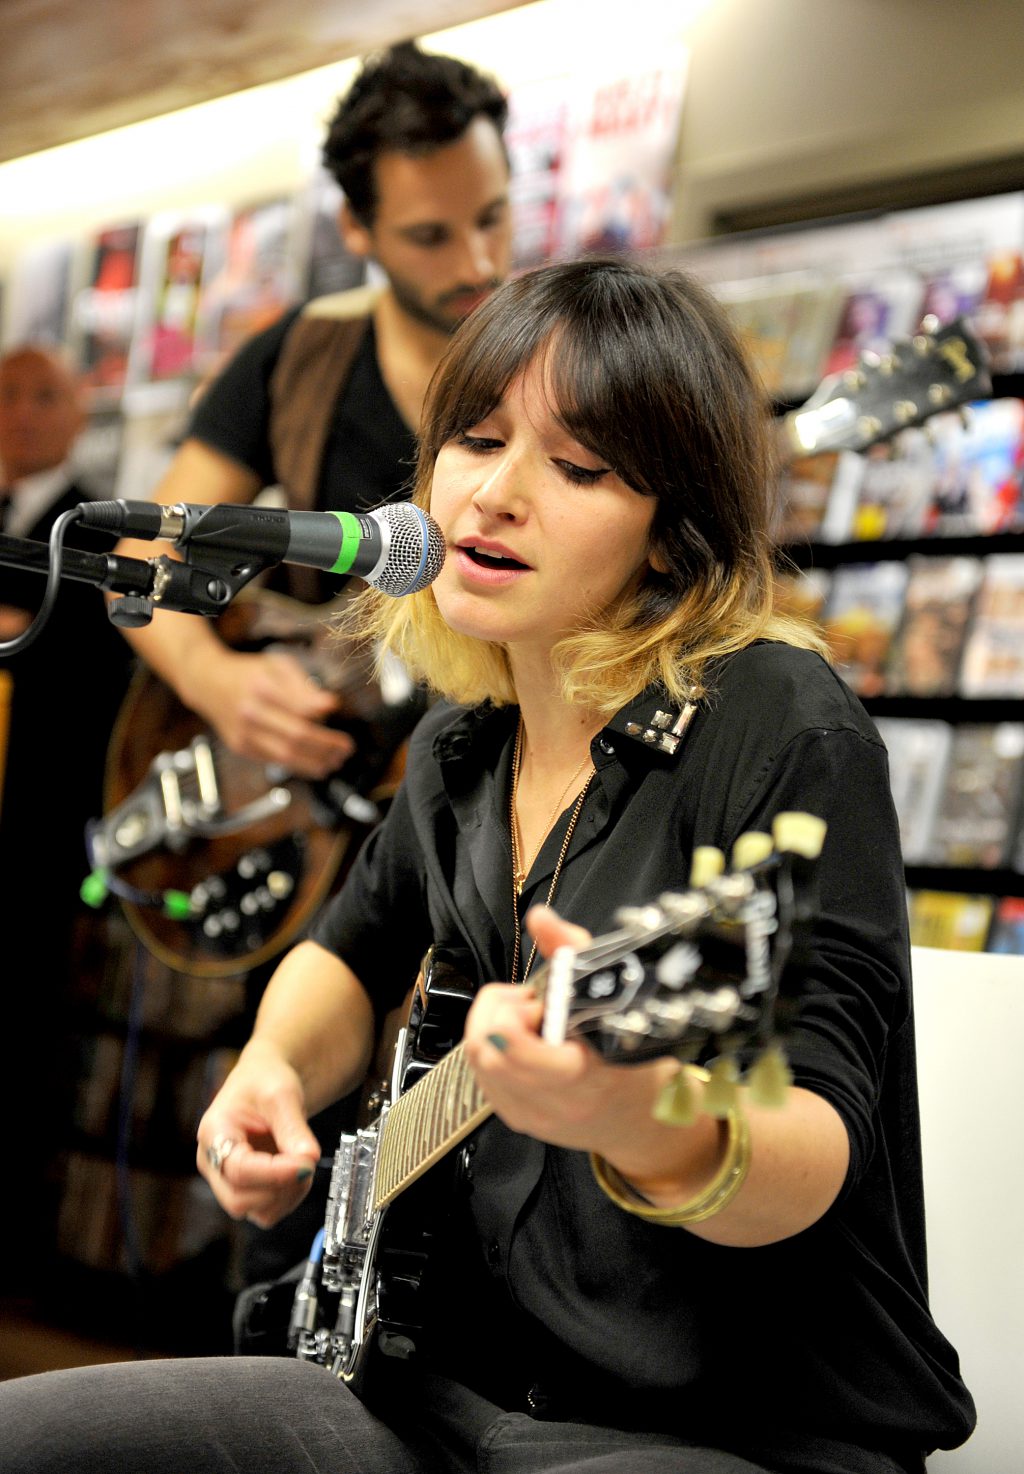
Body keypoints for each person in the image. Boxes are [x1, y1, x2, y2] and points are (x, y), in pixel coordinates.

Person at [0, 257, 976, 1472]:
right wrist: (269, 1070)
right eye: (473, 439)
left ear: (672, 531)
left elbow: (811, 1151)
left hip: (716, 1431)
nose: (494, 495)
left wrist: (636, 1112)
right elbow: (344, 955)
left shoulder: (780, 721)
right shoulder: (463, 746)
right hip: (434, 1386)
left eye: (578, 468)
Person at [113, 39, 513, 782]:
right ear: (357, 228)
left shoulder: (569, 365)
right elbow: (139, 549)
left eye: (493, 216)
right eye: (430, 235)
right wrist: (216, 681)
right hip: (338, 780)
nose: (478, 263)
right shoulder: (298, 358)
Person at [0, 344, 134, 1290]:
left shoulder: (95, 529)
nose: (18, 411)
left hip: (36, 836)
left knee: (16, 1037)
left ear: (79, 412)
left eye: (42, 394)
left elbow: (101, 688)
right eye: (3, 391)